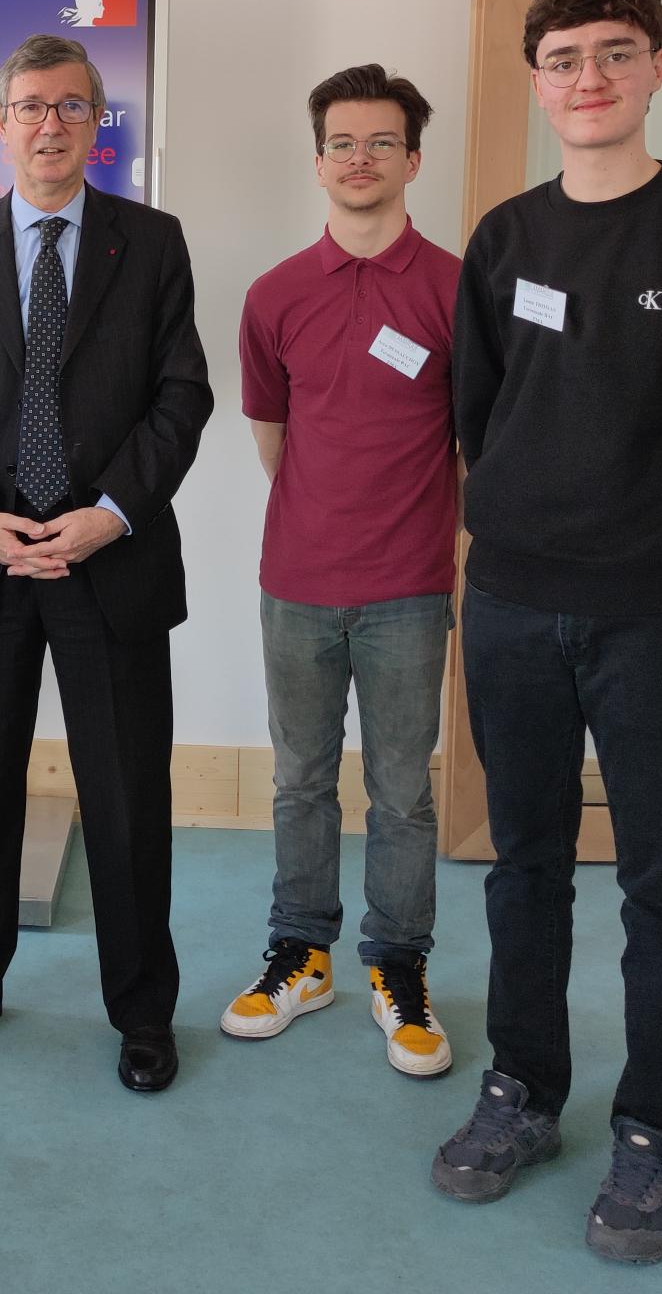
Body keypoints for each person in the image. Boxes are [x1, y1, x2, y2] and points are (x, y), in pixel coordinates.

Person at [438, 0, 662, 1265]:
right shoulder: (506, 237)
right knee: (524, 870)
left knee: (660, 885)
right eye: (567, 57)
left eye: (616, 53)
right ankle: (524, 1089)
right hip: (515, 605)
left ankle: (656, 1132)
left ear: (658, 71)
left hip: (658, 617)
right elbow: (479, 415)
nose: (590, 78)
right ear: (539, 83)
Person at [0, 32, 212, 1092]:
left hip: (104, 560)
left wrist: (110, 512)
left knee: (125, 798)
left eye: (71, 106)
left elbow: (180, 396)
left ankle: (140, 1010)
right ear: (0, 121)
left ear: (94, 123)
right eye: (30, 106)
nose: (50, 124)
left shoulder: (150, 244)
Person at [220, 65, 461, 1081]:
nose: (360, 159)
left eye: (381, 141)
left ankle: (397, 967)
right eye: (342, 142)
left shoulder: (457, 288)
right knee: (299, 781)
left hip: (410, 586)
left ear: (413, 157)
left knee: (403, 794)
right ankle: (301, 951)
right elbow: (274, 438)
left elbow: (470, 443)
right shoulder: (274, 295)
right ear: (318, 160)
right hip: (298, 582)